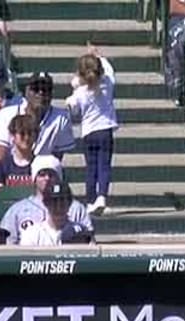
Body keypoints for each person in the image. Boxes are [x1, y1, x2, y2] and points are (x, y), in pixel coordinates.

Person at [66, 49, 118, 215]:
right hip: (105, 130)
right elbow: (110, 70)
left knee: (91, 167)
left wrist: (76, 83)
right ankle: (101, 196)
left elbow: (72, 107)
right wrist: (100, 55)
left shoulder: (80, 92)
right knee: (104, 166)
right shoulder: (107, 84)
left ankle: (90, 200)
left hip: (88, 133)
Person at [0, 155, 93, 243]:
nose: (47, 178)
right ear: (34, 179)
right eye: (42, 175)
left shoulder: (76, 208)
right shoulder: (18, 210)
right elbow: (9, 243)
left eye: (51, 175)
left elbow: (90, 241)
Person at [0, 71, 74, 164]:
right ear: (26, 91)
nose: (41, 93)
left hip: (41, 172)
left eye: (46, 89)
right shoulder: (5, 115)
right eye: (36, 88)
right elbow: (0, 159)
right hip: (9, 171)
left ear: (52, 94)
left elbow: (56, 160)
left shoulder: (61, 119)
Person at [17, 180, 91, 245]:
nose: (58, 208)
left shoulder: (81, 232)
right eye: (54, 202)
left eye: (62, 202)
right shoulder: (32, 233)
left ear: (69, 203)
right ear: (46, 204)